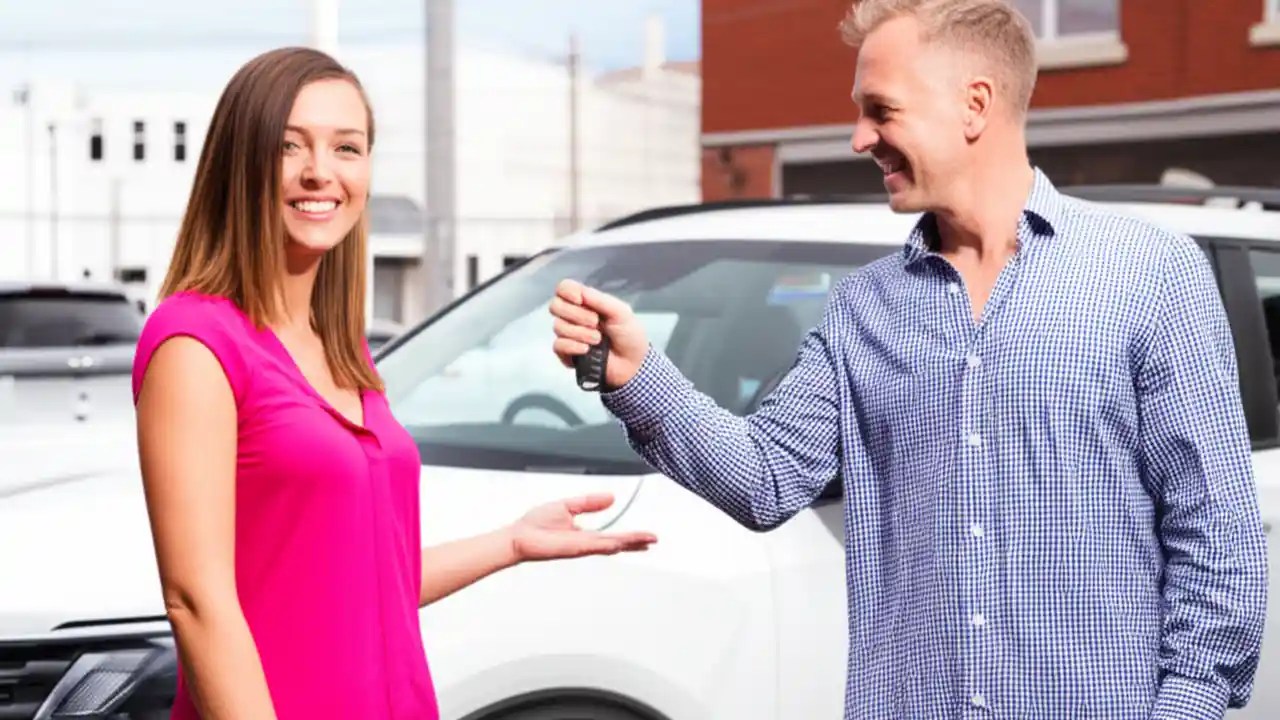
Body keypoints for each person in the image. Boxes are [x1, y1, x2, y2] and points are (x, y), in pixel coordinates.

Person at [549, 1, 1267, 718]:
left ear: (974, 105)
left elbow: (1216, 536)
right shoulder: (864, 308)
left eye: (881, 110)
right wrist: (637, 375)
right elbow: (765, 479)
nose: (860, 138)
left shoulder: (1149, 273)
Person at [132, 46, 656, 720]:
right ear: (239, 163)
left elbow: (367, 580)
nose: (320, 172)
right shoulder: (196, 342)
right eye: (289, 146)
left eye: (346, 148)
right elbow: (196, 602)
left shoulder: (341, 351)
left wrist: (510, 543)